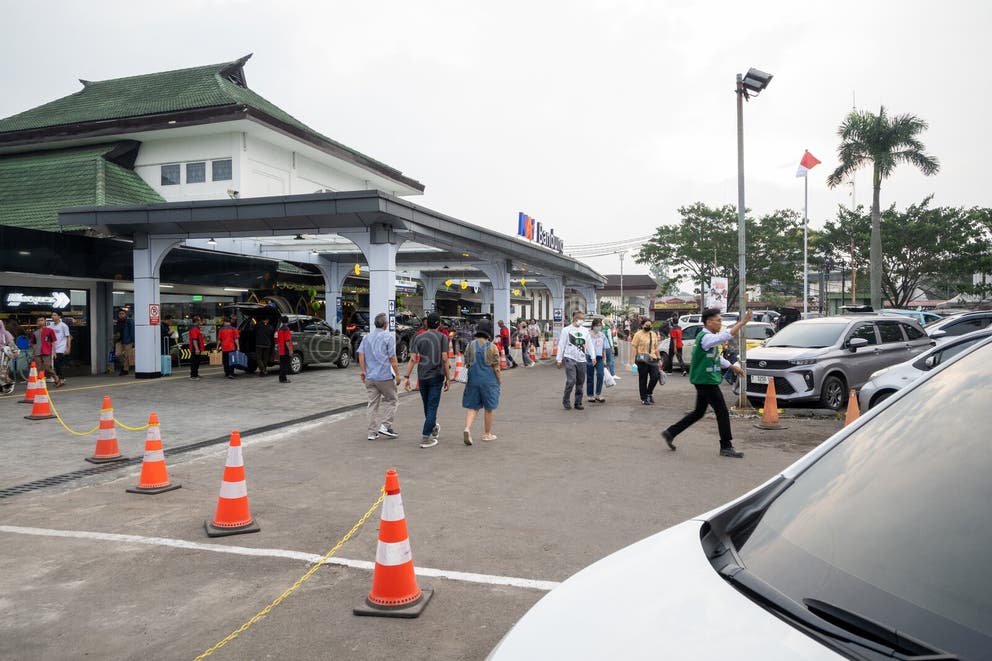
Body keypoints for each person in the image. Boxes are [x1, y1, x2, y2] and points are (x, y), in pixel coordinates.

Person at [661, 309, 752, 458]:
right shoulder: (706, 337)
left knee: (698, 412)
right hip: (706, 381)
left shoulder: (706, 337)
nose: (720, 323)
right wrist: (742, 322)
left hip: (704, 380)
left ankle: (671, 432)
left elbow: (715, 357)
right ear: (709, 322)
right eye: (718, 321)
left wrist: (731, 366)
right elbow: (726, 336)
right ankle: (726, 446)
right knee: (722, 411)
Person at [403, 312, 450, 448]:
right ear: (439, 324)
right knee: (432, 406)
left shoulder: (418, 337)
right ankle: (425, 437)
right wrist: (448, 378)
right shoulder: (443, 338)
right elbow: (445, 358)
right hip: (436, 376)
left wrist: (407, 377)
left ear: (427, 323)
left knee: (427, 406)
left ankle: (433, 427)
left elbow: (412, 359)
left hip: (422, 376)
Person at [357, 312, 401, 441]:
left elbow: (361, 354)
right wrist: (398, 374)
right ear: (385, 324)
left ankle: (372, 432)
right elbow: (392, 358)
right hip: (384, 376)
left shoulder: (367, 338)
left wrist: (363, 371)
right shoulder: (388, 337)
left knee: (372, 404)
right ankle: (385, 426)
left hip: (370, 377)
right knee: (392, 400)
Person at [462, 320, 501, 444]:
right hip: (489, 381)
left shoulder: (470, 345)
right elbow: (497, 368)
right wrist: (499, 380)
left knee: (473, 407)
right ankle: (487, 434)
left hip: (473, 380)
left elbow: (467, 364)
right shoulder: (492, 347)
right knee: (489, 408)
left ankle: (467, 428)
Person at [556, 310, 589, 410]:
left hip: (582, 359)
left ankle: (578, 402)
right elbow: (561, 344)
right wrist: (559, 359)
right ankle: (566, 400)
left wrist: (593, 356)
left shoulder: (585, 330)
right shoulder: (566, 330)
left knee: (580, 381)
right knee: (571, 381)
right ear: (575, 319)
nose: (582, 321)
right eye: (581, 319)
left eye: (583, 319)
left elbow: (589, 344)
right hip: (570, 357)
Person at [631, 319, 663, 405]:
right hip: (642, 359)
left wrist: (659, 359)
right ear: (642, 325)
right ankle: (644, 398)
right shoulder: (638, 335)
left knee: (655, 376)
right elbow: (634, 347)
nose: (648, 327)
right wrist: (631, 360)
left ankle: (649, 393)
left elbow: (656, 348)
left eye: (650, 325)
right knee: (643, 379)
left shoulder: (653, 334)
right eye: (646, 325)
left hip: (652, 358)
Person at [31, 316, 59, 385]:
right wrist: (34, 352)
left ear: (45, 321)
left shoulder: (50, 331)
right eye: (39, 320)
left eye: (42, 320)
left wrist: (54, 351)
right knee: (38, 368)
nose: (40, 322)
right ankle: (40, 383)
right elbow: (33, 343)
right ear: (37, 323)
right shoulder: (35, 333)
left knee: (47, 367)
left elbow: (53, 342)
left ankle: (56, 377)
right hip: (37, 352)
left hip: (47, 351)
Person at [585, 318, 607, 403]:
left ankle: (598, 394)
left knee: (600, 375)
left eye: (599, 326)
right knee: (590, 377)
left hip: (599, 357)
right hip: (589, 357)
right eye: (596, 326)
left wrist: (605, 359)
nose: (598, 327)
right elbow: (585, 346)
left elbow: (604, 348)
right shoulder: (588, 335)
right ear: (593, 326)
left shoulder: (602, 335)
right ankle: (590, 395)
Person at [50, 311, 71, 386]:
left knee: (58, 364)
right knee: (54, 365)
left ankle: (61, 380)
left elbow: (68, 337)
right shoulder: (51, 325)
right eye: (52, 315)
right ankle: (58, 379)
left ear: (59, 317)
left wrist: (68, 348)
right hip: (53, 348)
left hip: (61, 348)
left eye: (55, 315)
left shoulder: (64, 326)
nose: (53, 316)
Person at [113, 309, 135, 376]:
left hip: (127, 341)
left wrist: (133, 341)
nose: (121, 315)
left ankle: (125, 369)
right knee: (118, 354)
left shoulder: (129, 322)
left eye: (123, 313)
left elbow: (132, 332)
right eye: (120, 314)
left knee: (126, 356)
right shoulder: (117, 322)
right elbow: (115, 331)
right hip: (119, 340)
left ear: (125, 314)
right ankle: (123, 366)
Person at [276, 316, 294, 384]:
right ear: (287, 321)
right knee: (285, 365)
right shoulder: (286, 329)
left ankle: (281, 378)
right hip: (285, 350)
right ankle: (284, 379)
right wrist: (290, 350)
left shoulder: (279, 329)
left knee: (282, 364)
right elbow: (287, 341)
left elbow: (278, 340)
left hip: (281, 349)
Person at [188, 316, 205, 380]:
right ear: (197, 321)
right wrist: (197, 349)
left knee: (197, 361)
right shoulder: (194, 329)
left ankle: (196, 374)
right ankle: (193, 376)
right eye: (200, 320)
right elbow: (194, 339)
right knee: (194, 362)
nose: (200, 322)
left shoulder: (197, 328)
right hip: (195, 348)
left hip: (198, 347)